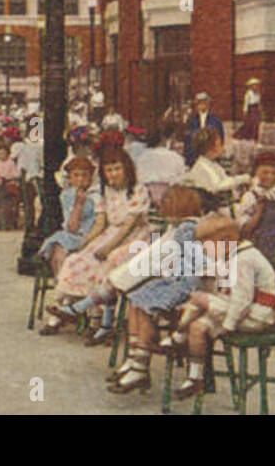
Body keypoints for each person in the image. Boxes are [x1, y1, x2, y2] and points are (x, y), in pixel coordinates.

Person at [107, 186, 238, 394]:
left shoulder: (186, 229)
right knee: (138, 299)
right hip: (186, 280)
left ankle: (139, 365)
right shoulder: (185, 226)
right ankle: (137, 361)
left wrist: (206, 266)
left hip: (189, 285)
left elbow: (195, 258)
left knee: (143, 303)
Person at [46, 147, 152, 345]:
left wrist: (109, 247)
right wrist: (84, 244)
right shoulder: (105, 190)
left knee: (110, 261)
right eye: (109, 170)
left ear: (127, 169)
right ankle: (93, 318)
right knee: (78, 259)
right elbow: (100, 223)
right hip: (110, 233)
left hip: (136, 239)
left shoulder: (138, 189)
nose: (113, 174)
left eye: (117, 169)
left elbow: (129, 226)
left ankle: (100, 320)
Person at [167, 231, 275, 399]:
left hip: (254, 316)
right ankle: (195, 377)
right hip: (237, 312)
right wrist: (198, 271)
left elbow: (242, 301)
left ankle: (177, 337)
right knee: (197, 327)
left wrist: (227, 326)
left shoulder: (244, 260)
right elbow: (217, 269)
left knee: (199, 299)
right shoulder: (234, 255)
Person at [35, 157, 101, 335]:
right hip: (73, 234)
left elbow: (100, 224)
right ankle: (63, 302)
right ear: (70, 178)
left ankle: (65, 308)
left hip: (93, 236)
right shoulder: (67, 195)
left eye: (84, 176)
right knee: (60, 249)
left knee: (75, 256)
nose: (80, 180)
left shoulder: (97, 195)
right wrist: (78, 204)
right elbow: (72, 226)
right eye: (76, 176)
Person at [235, 151, 275, 264]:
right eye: (265, 172)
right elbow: (244, 230)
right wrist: (258, 212)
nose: (270, 177)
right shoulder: (250, 196)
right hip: (257, 245)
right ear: (256, 172)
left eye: (274, 173)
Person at [181, 127, 249, 211]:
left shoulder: (213, 165)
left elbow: (226, 180)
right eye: (220, 144)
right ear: (211, 148)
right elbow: (218, 186)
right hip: (214, 209)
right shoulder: (202, 167)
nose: (223, 147)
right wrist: (242, 179)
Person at [183, 92, 223, 166]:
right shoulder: (191, 121)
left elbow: (220, 137)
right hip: (195, 155)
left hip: (210, 155)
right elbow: (188, 139)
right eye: (199, 103)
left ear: (208, 104)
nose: (202, 105)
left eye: (204, 102)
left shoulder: (216, 121)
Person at [233, 78, 262, 143]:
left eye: (256, 85)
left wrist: (259, 110)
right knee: (249, 123)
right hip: (251, 109)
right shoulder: (248, 94)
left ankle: (255, 137)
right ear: (251, 86)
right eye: (254, 85)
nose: (255, 87)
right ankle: (243, 135)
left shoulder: (258, 94)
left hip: (256, 109)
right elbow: (246, 103)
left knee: (256, 124)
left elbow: (259, 103)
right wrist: (245, 111)